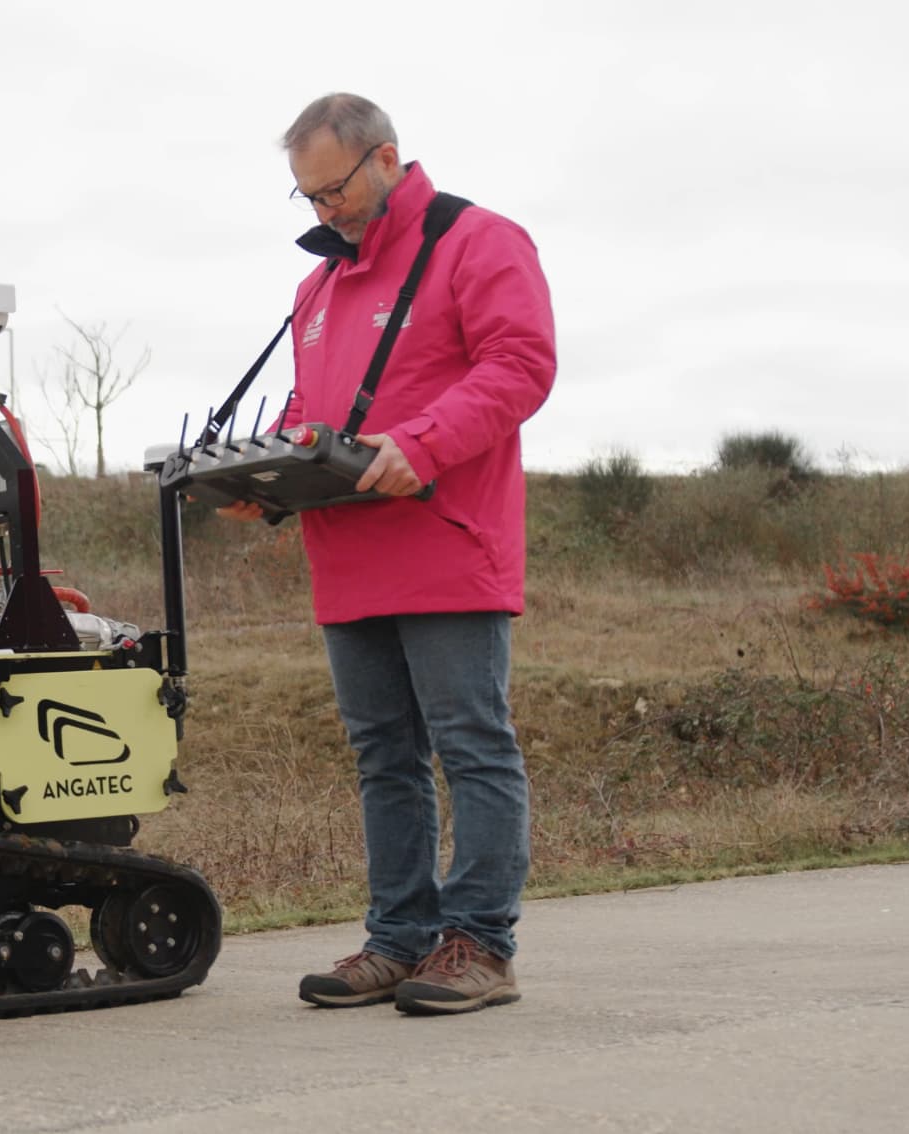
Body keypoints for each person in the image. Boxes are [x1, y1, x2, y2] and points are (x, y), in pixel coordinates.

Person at [227, 93, 555, 1014]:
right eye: (308, 197)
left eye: (334, 189)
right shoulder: (318, 287)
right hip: (348, 554)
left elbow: (521, 364)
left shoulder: (478, 240)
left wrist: (425, 442)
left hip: (447, 541)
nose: (324, 210)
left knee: (471, 744)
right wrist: (263, 477)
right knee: (383, 756)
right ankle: (399, 938)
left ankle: (480, 944)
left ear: (385, 159)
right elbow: (312, 414)